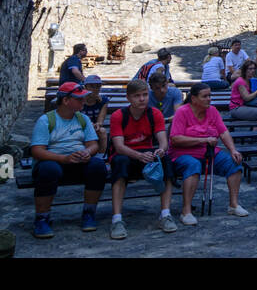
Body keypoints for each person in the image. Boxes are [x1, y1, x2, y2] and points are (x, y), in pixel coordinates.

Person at [28, 81, 107, 238]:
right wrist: (63, 158)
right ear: (65, 100)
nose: (83, 101)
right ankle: (42, 218)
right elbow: (37, 150)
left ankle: (89, 213)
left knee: (97, 166)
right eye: (79, 99)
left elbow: (93, 145)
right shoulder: (46, 120)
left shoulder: (82, 119)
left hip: (77, 161)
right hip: (54, 161)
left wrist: (87, 153)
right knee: (48, 170)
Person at [107, 79, 177, 238]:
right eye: (137, 96)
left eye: (145, 95)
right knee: (119, 163)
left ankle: (165, 214)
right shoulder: (119, 116)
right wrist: (139, 155)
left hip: (146, 152)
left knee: (165, 160)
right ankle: (117, 219)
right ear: (128, 98)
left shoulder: (155, 114)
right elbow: (119, 147)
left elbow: (163, 141)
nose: (142, 99)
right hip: (127, 153)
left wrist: (160, 150)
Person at [168, 83, 249, 220]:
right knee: (193, 165)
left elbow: (223, 132)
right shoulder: (182, 112)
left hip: (209, 152)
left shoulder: (212, 111)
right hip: (183, 153)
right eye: (205, 96)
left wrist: (233, 150)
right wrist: (203, 140)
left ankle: (233, 205)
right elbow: (175, 139)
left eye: (210, 95)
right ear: (193, 99)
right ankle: (186, 211)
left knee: (233, 163)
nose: (209, 99)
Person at [81, 74, 109, 152]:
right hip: (80, 126)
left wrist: (98, 124)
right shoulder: (79, 100)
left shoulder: (103, 100)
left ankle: (102, 154)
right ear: (85, 87)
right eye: (92, 86)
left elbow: (100, 120)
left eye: (98, 86)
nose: (95, 89)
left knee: (102, 131)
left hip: (94, 127)